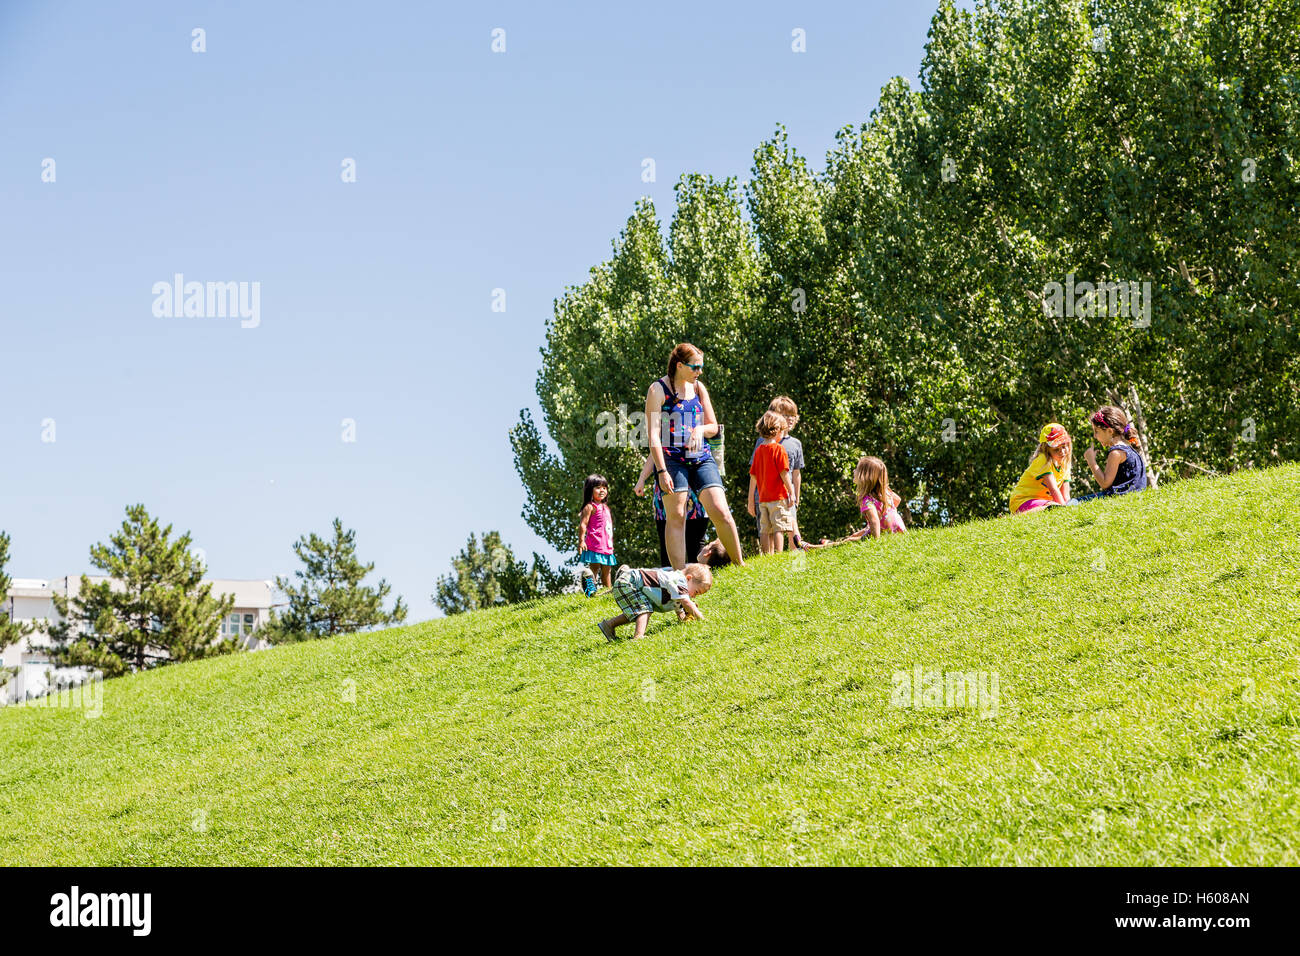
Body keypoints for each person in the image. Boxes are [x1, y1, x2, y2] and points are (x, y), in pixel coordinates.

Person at [644, 343, 745, 569]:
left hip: (701, 457)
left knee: (720, 510)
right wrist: (661, 471)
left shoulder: (699, 388)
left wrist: (700, 430)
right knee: (677, 515)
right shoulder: (657, 390)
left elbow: (713, 427)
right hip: (672, 460)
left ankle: (740, 565)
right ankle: (680, 576)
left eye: (700, 367)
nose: (699, 372)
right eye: (695, 367)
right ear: (680, 365)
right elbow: (652, 435)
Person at [806, 454, 906, 547]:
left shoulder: (867, 500)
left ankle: (813, 547)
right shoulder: (885, 492)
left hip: (884, 535)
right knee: (858, 533)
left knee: (848, 541)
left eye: (857, 469)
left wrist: (876, 542)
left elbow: (874, 521)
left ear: (865, 477)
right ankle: (828, 542)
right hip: (899, 532)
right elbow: (897, 500)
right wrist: (886, 515)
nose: (854, 471)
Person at [596, 563, 712, 641]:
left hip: (629, 582)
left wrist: (683, 617)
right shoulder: (679, 580)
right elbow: (686, 602)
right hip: (630, 582)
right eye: (696, 592)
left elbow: (678, 607)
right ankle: (638, 637)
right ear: (688, 578)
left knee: (638, 612)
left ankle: (609, 625)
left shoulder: (677, 589)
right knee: (644, 610)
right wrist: (701, 618)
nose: (694, 596)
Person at [748, 396, 807, 551]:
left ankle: (797, 562)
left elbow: (796, 473)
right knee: (768, 529)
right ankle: (772, 561)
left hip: (786, 495)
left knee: (791, 527)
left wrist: (796, 495)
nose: (790, 419)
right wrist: (750, 499)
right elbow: (754, 473)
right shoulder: (761, 443)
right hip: (763, 495)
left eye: (792, 415)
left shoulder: (795, 444)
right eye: (785, 415)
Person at [634, 454, 709, 568]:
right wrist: (641, 479)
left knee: (696, 545)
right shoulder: (661, 436)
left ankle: (698, 581)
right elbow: (653, 454)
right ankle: (671, 582)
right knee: (667, 546)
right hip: (667, 489)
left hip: (693, 490)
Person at [1072, 406, 1147, 503]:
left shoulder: (1116, 453)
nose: (1095, 436)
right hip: (1134, 498)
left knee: (1073, 503)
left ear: (1110, 431)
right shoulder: (1130, 449)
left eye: (1097, 431)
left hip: (1119, 498)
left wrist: (1091, 461)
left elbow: (1105, 483)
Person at [1009, 423, 1073, 514]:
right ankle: (1017, 516)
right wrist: (1064, 510)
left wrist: (1068, 508)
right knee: (1054, 507)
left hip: (1044, 502)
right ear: (1047, 450)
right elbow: (1053, 489)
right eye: (1056, 449)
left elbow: (1066, 496)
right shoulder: (1043, 460)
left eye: (1064, 446)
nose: (1062, 452)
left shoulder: (1065, 464)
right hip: (1022, 500)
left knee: (1063, 505)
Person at [577, 475, 616, 596]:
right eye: (598, 487)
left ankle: (608, 594)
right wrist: (581, 541)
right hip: (594, 545)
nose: (602, 490)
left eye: (604, 487)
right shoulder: (590, 507)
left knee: (607, 571)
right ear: (590, 490)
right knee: (593, 569)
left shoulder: (605, 507)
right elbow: (583, 525)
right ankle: (590, 591)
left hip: (607, 546)